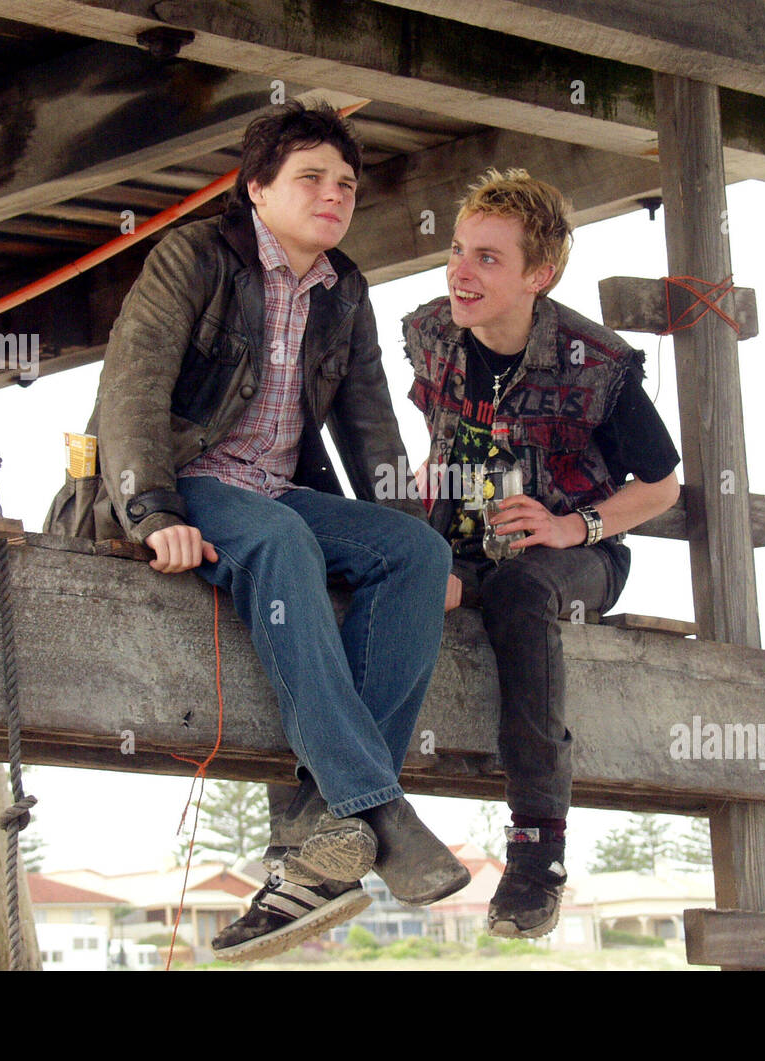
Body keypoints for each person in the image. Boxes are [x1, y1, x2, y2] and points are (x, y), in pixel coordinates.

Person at [48, 102, 467, 962]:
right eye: (310, 177)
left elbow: (374, 433)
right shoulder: (195, 257)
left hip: (275, 490)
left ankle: (324, 838)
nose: (333, 195)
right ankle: (379, 810)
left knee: (414, 552)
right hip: (183, 478)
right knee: (282, 542)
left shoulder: (343, 290)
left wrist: (428, 540)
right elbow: (132, 390)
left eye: (346, 183)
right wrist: (152, 510)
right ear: (257, 189)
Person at [401, 168, 682, 938]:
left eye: (489, 259)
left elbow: (661, 486)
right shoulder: (428, 335)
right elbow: (435, 437)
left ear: (539, 275)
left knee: (521, 593)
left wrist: (572, 526)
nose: (462, 271)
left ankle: (537, 853)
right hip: (466, 549)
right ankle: (352, 816)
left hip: (576, 559)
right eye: (458, 251)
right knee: (388, 581)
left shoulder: (597, 364)